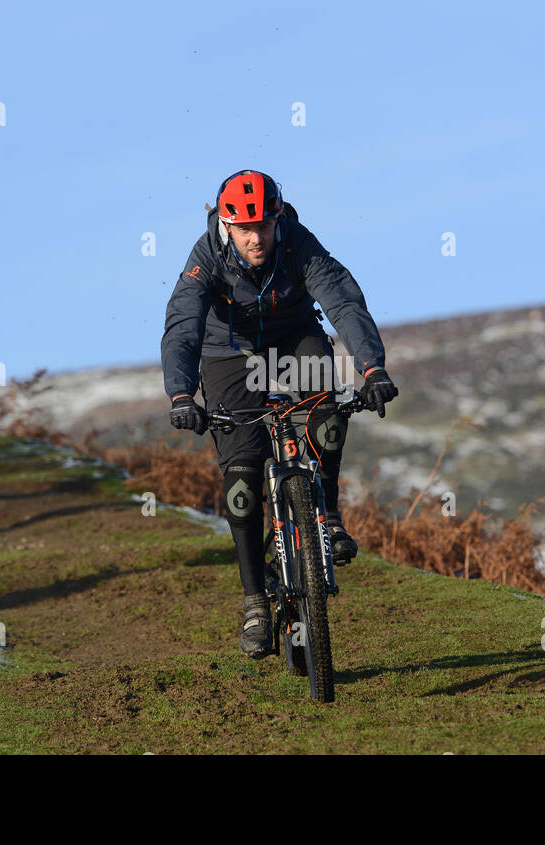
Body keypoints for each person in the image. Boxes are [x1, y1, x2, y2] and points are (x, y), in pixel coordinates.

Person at [160, 169, 398, 658]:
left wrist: (372, 369)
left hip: (293, 337)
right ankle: (254, 601)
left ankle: (327, 517)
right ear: (225, 224)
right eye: (244, 228)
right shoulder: (205, 256)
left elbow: (343, 302)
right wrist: (182, 396)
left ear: (277, 219)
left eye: (263, 227)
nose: (255, 238)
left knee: (326, 418)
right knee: (243, 485)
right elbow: (183, 324)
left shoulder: (298, 243)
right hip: (226, 351)